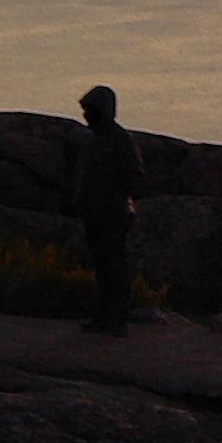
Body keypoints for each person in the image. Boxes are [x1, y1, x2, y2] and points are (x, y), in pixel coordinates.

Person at [73, 85, 141, 336]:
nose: (86, 116)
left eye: (90, 111)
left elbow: (134, 176)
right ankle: (103, 315)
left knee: (115, 266)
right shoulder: (92, 140)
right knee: (102, 266)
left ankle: (118, 318)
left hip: (113, 214)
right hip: (93, 213)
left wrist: (114, 197)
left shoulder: (120, 140)